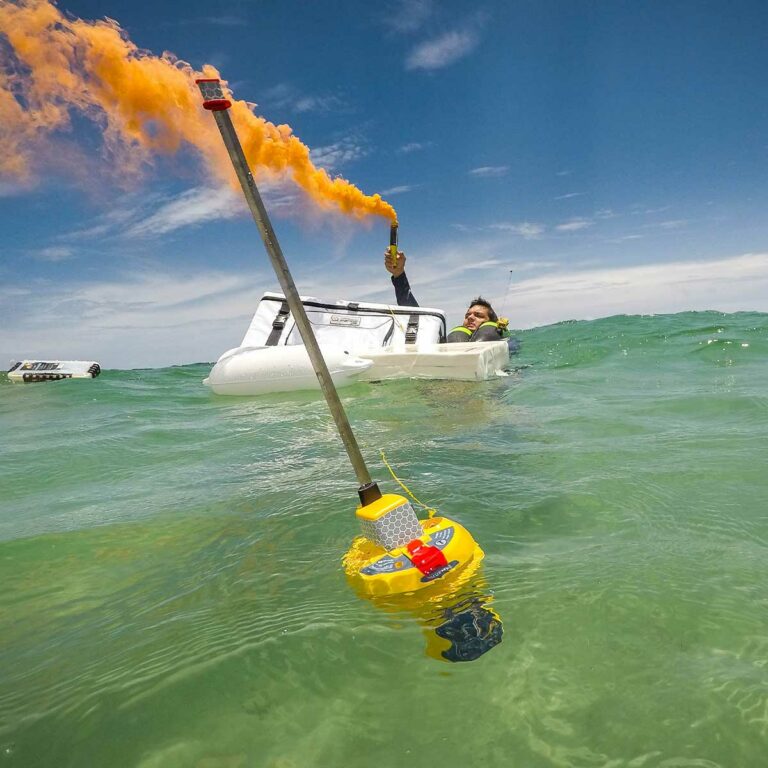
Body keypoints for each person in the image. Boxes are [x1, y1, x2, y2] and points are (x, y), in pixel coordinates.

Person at [384, 249, 510, 343]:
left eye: (478, 315)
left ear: (491, 322)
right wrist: (399, 274)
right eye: (467, 315)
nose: (470, 317)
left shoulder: (502, 341)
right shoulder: (447, 340)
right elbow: (415, 314)